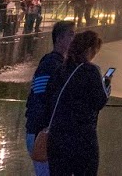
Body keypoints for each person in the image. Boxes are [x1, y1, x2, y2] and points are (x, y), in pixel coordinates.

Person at [44, 30, 110, 176]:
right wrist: (106, 88)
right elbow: (99, 101)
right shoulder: (90, 70)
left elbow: (48, 96)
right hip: (82, 138)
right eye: (95, 51)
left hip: (56, 137)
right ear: (89, 50)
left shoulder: (60, 69)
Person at [26, 21, 75, 176]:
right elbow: (39, 98)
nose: (74, 39)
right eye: (71, 35)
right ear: (59, 39)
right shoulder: (50, 65)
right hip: (41, 133)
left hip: (45, 132)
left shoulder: (59, 64)